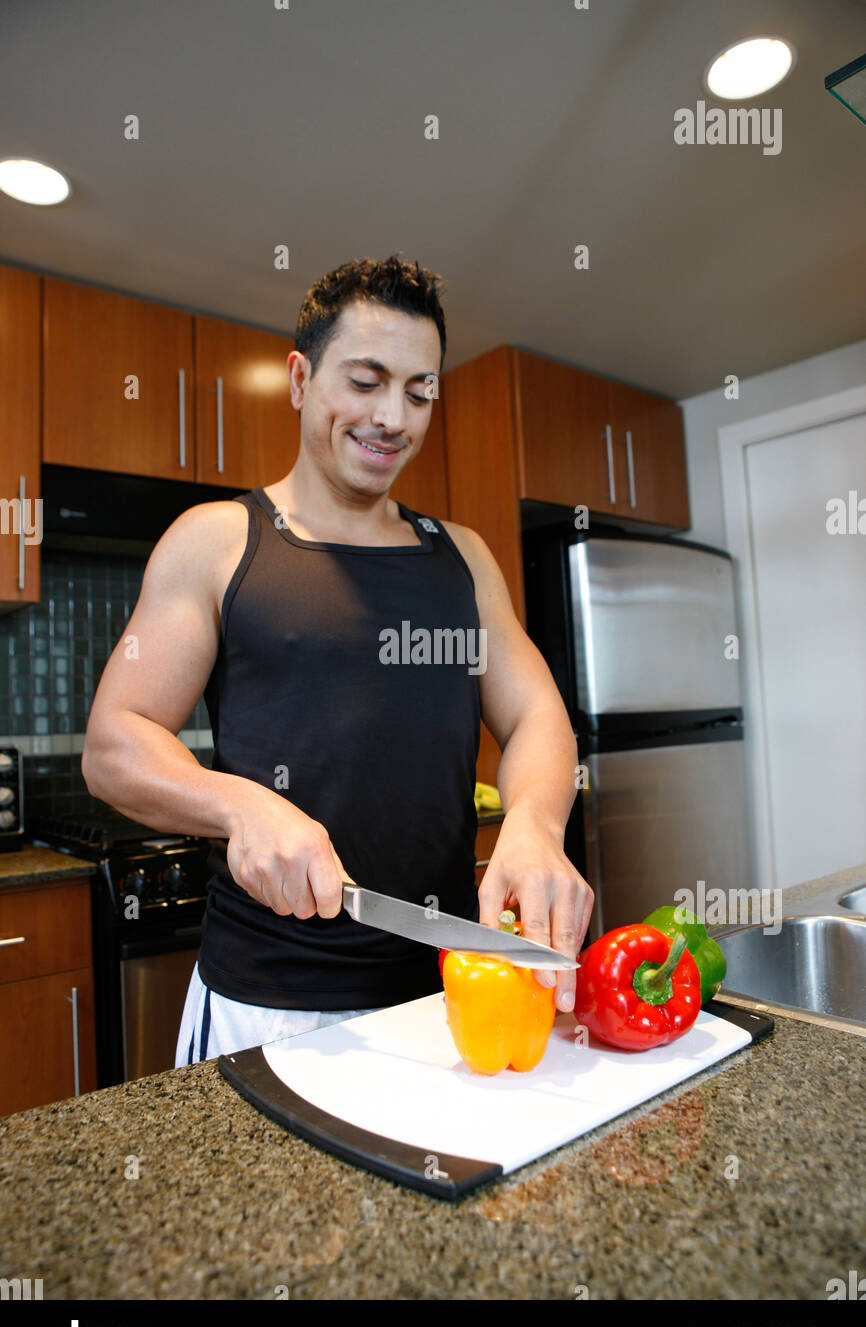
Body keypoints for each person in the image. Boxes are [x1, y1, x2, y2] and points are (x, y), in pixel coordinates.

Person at [81, 253, 594, 1064]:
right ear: (299, 379)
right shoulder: (219, 541)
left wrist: (535, 821)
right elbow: (114, 742)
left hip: (449, 994)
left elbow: (536, 715)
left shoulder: (461, 557)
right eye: (365, 380)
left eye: (419, 391)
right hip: (270, 1008)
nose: (394, 416)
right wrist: (240, 806)